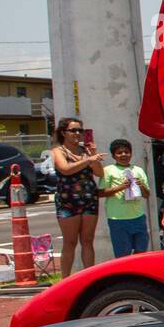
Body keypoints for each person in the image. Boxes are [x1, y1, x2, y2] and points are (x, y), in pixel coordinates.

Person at [51, 116, 105, 277]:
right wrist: (88, 160)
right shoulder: (57, 151)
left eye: (80, 130)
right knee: (70, 242)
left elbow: (100, 173)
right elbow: (65, 169)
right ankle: (65, 279)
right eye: (73, 130)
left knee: (87, 241)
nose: (77, 133)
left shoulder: (86, 151)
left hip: (89, 200)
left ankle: (90, 277)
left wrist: (93, 155)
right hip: (68, 201)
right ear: (63, 132)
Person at [97, 139, 151, 258]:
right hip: (118, 219)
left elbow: (147, 195)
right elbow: (100, 193)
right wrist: (121, 187)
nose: (123, 155)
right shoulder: (108, 170)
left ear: (131, 153)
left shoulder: (138, 170)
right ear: (113, 155)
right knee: (123, 254)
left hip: (138, 217)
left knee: (141, 251)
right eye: (119, 153)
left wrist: (141, 186)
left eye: (126, 152)